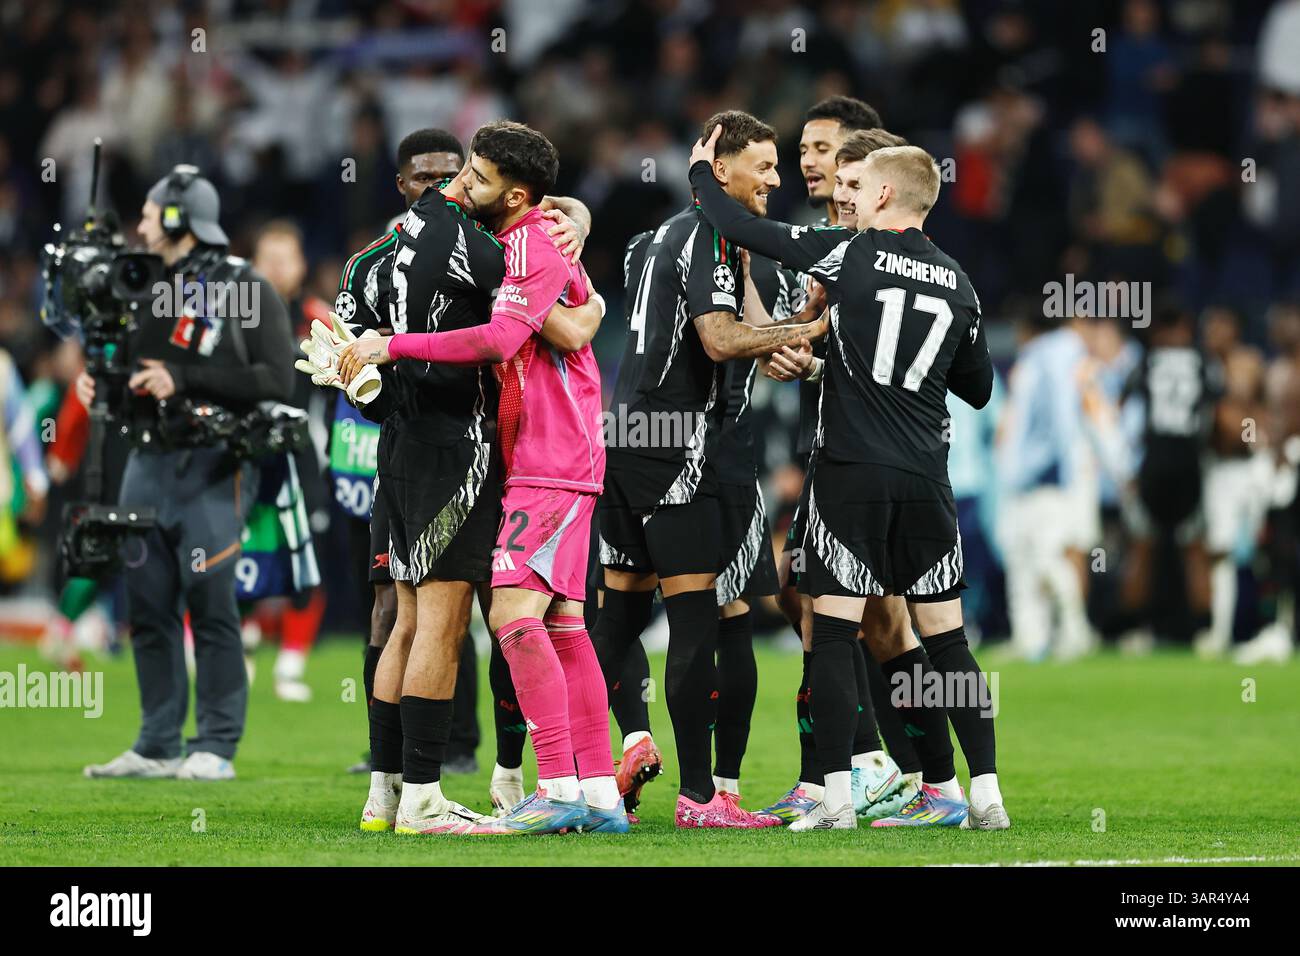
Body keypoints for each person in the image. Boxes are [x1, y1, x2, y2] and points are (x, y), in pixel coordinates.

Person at [690, 130, 1009, 830]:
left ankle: (835, 798)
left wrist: (700, 172)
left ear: (886, 193)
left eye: (857, 189)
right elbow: (979, 387)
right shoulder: (959, 279)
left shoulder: (852, 252)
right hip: (928, 478)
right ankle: (983, 794)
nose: (845, 198)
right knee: (949, 641)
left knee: (832, 632)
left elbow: (737, 225)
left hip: (850, 473)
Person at [308, 131, 601, 835]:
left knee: (403, 622)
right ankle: (427, 798)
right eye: (452, 172)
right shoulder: (486, 252)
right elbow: (547, 328)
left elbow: (359, 384)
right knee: (444, 625)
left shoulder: (368, 262)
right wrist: (588, 308)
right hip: (460, 449)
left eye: (467, 170)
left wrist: (377, 368)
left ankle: (384, 797)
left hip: (396, 451)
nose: (460, 182)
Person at [591, 110, 829, 829]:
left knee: (620, 609)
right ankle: (705, 795)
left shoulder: (650, 240)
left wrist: (778, 341)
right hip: (690, 446)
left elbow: (738, 331)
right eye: (764, 164)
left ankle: (602, 763)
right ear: (719, 170)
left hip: (628, 437)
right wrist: (805, 330)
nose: (778, 177)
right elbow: (721, 337)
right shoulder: (715, 235)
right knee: (713, 615)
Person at [81, 165, 295, 781]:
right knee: (146, 605)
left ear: (177, 216)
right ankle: (156, 743)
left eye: (150, 212)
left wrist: (188, 378)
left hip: (214, 464)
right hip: (147, 461)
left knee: (211, 602)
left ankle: (217, 746)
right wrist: (101, 383)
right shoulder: (142, 285)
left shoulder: (247, 288)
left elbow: (276, 382)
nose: (142, 223)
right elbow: (134, 373)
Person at [332, 128, 522, 786]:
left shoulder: (480, 241)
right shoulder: (371, 265)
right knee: (418, 617)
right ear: (402, 184)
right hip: (434, 450)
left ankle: (453, 769)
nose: (447, 186)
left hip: (470, 449)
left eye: (458, 172)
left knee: (459, 616)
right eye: (428, 177)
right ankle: (414, 789)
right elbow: (359, 375)